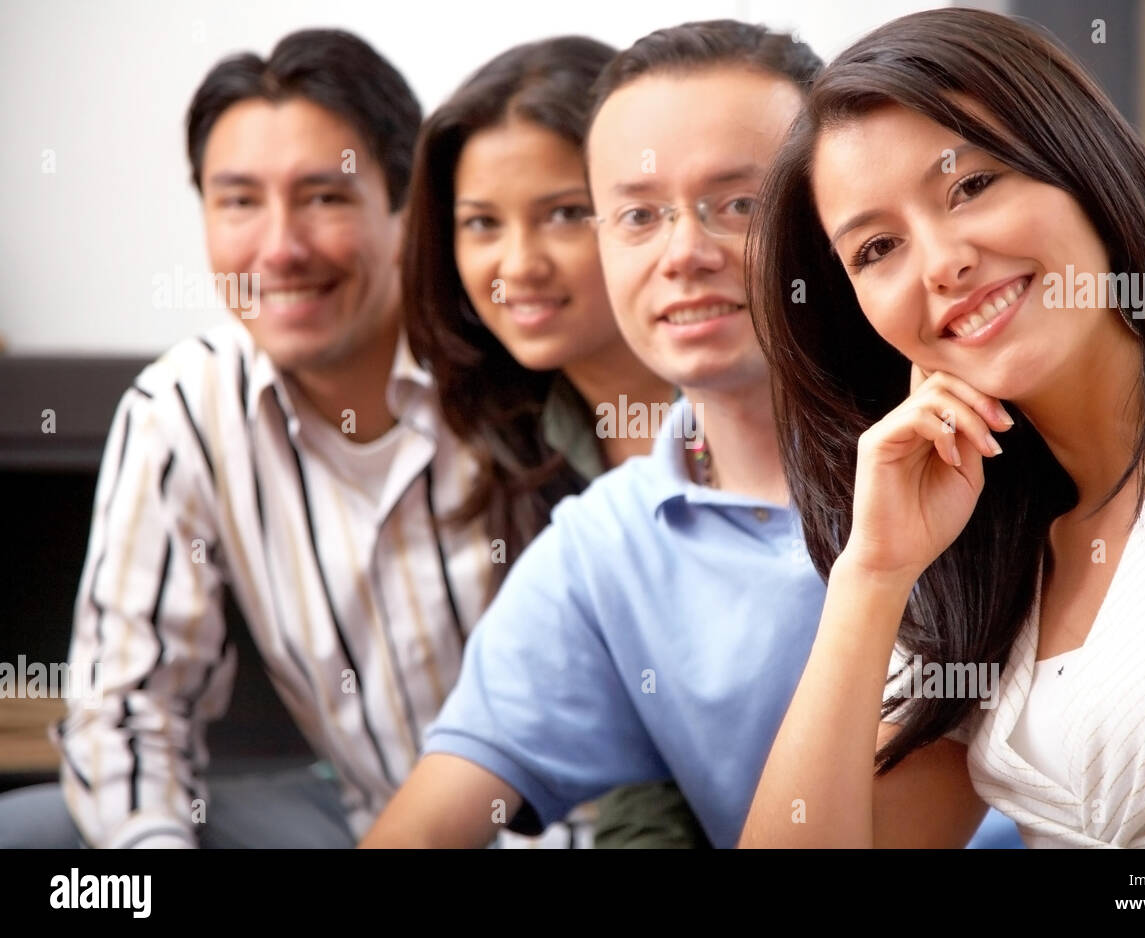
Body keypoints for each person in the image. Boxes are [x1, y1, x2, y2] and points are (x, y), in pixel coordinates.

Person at [363, 18, 1020, 849]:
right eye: (638, 216)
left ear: (833, 223)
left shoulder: (987, 441)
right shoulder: (604, 546)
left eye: (739, 205)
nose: (683, 252)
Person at [740, 8, 1145, 848]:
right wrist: (874, 574)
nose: (941, 263)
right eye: (877, 248)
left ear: (1085, 167)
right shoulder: (983, 539)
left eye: (971, 185)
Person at [0, 29, 491, 848]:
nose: (280, 248)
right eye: (238, 201)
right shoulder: (182, 406)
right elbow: (128, 710)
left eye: (324, 197)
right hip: (359, 819)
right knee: (31, 836)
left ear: (404, 207)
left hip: (545, 835)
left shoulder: (511, 372)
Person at [403, 34, 697, 847]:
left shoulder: (747, 411)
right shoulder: (518, 438)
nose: (517, 264)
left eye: (565, 214)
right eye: (481, 224)